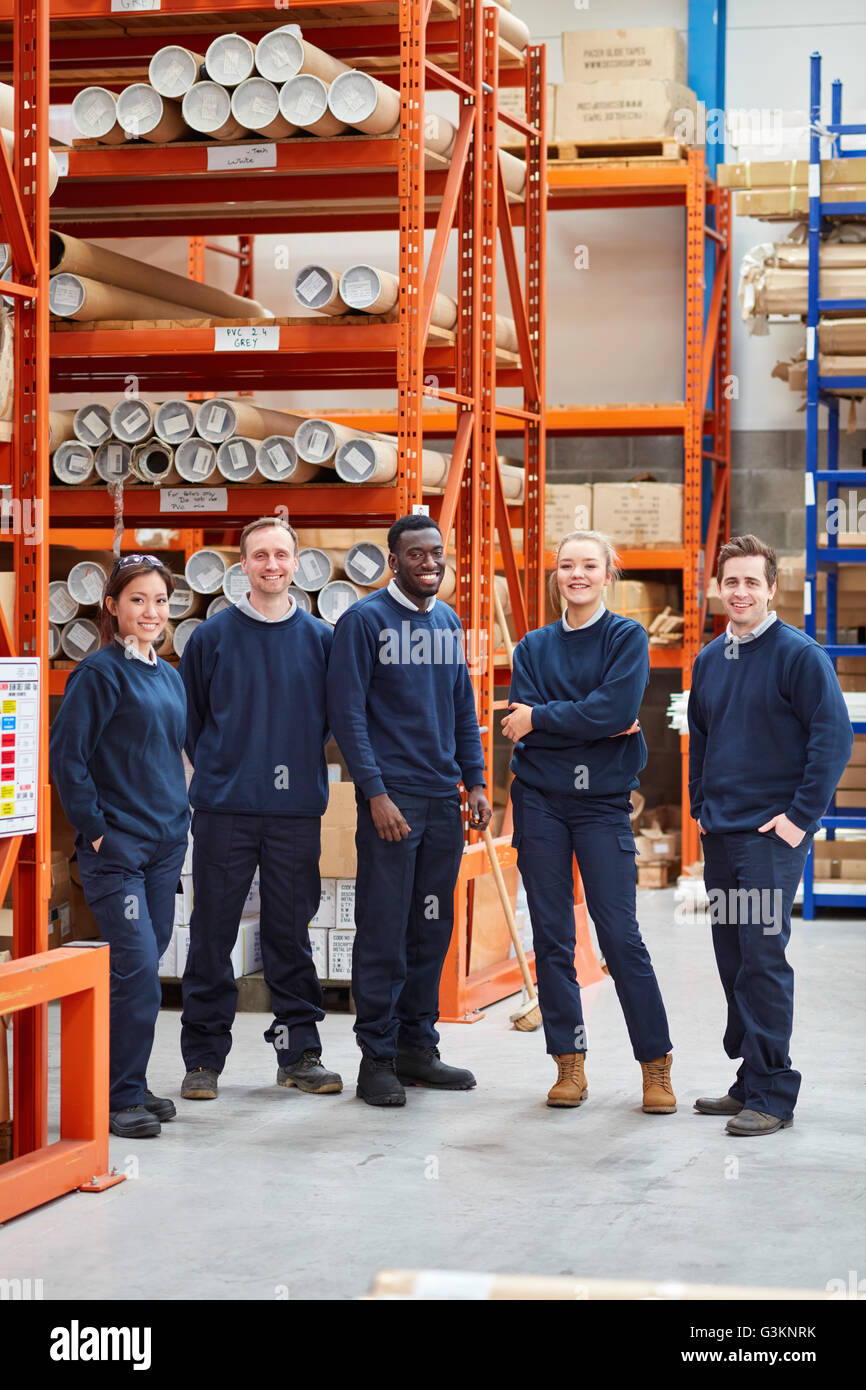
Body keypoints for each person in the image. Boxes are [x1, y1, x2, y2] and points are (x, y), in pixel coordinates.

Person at [502, 530, 675, 1113]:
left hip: (602, 803)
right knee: (552, 938)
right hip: (540, 802)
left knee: (620, 937)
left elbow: (617, 708)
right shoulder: (531, 647)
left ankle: (656, 1068)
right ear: (556, 576)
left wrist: (543, 719)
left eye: (588, 566)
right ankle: (568, 1064)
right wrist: (589, 723)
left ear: (608, 575)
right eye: (566, 565)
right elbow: (540, 722)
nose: (576, 574)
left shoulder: (625, 637)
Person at [689, 534, 853, 1137]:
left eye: (751, 582)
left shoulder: (799, 656)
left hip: (768, 839)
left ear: (772, 588)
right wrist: (699, 805)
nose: (740, 592)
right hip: (722, 834)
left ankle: (775, 1093)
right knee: (733, 956)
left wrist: (798, 818)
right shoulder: (710, 659)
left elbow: (832, 740)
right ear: (719, 588)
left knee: (761, 957)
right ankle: (749, 1078)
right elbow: (700, 738)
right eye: (730, 582)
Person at [326, 514, 491, 1107]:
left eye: (437, 554)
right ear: (393, 562)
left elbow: (461, 707)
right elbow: (347, 717)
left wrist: (474, 780)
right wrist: (375, 794)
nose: (430, 563)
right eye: (416, 555)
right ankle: (377, 1056)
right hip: (392, 805)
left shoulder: (447, 621)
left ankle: (419, 1047)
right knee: (384, 931)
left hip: (443, 802)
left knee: (431, 927)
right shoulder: (363, 622)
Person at [178, 516, 341, 1100]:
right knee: (211, 932)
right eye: (259, 556)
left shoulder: (323, 640)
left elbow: (332, 721)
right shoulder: (211, 639)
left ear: (296, 563)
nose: (271, 565)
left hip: (296, 809)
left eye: (281, 555)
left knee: (289, 932)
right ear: (242, 565)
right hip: (224, 810)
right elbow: (192, 723)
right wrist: (228, 772)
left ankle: (299, 1052)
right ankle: (203, 1060)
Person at [50, 554, 190, 1139]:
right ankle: (118, 1096)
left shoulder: (168, 674)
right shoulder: (98, 674)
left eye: (159, 600)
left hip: (164, 848)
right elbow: (69, 761)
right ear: (112, 607)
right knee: (134, 967)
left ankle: (125, 1078)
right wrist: (101, 831)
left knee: (142, 967)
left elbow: (171, 752)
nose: (151, 612)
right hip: (118, 852)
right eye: (137, 600)